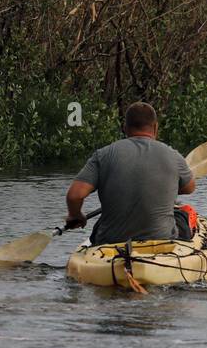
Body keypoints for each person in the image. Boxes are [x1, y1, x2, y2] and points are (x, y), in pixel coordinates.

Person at [65, 101, 196, 244]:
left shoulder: (103, 155)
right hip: (162, 239)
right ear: (155, 127)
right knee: (183, 215)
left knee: (100, 224)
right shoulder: (174, 156)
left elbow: (75, 195)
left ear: (125, 128)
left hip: (111, 240)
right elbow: (189, 188)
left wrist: (76, 215)